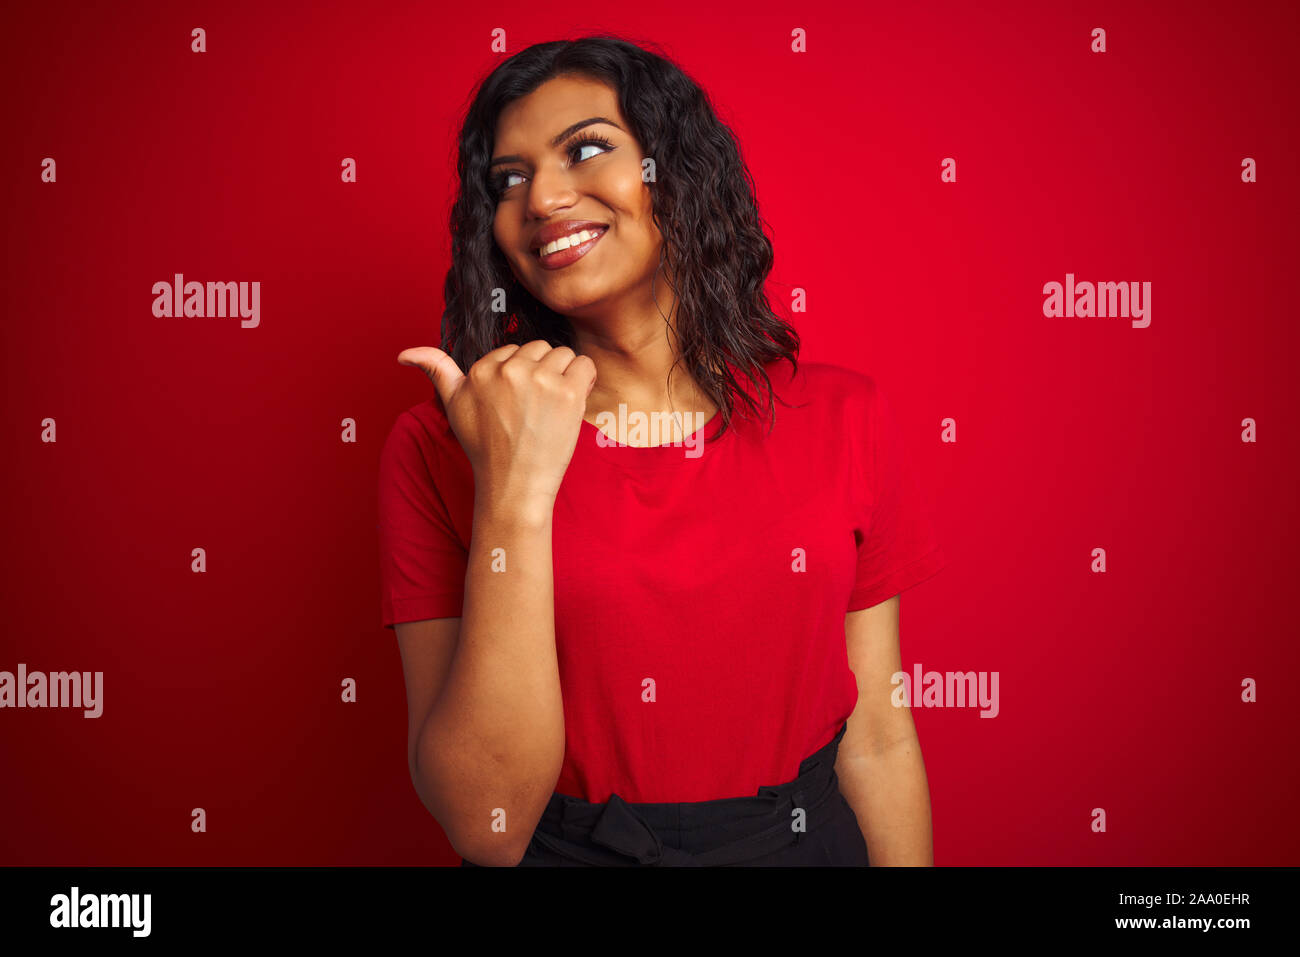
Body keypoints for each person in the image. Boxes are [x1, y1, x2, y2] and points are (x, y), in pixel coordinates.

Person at [378, 36, 948, 866]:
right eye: (508, 179)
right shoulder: (439, 445)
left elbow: (881, 735)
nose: (540, 197)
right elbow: (486, 826)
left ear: (673, 171)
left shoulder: (842, 415)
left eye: (585, 148)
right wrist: (515, 488)